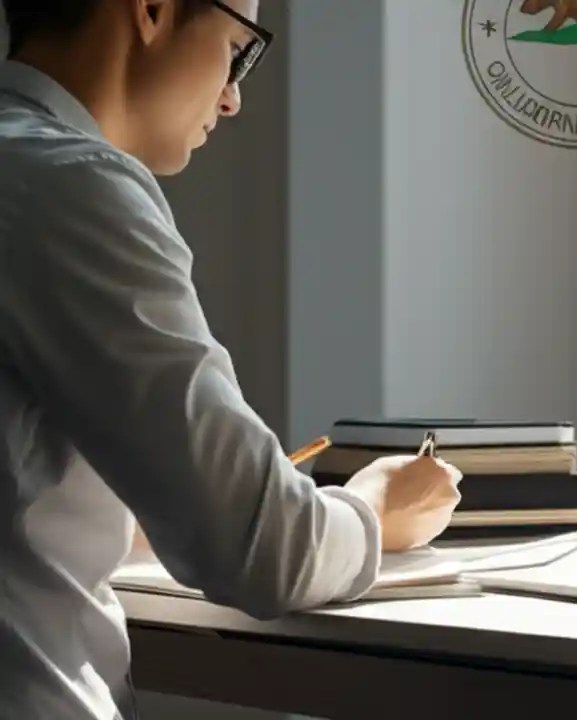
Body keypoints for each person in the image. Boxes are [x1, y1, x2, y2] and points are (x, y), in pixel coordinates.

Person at [0, 1, 463, 718]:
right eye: (237, 48)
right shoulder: (71, 186)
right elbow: (264, 552)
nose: (233, 96)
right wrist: (372, 510)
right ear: (150, 10)